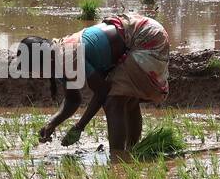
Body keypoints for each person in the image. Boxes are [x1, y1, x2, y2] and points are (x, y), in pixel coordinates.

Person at [23, 13, 170, 159]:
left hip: (147, 38)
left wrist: (79, 127)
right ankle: (132, 151)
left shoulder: (68, 55)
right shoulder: (59, 60)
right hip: (144, 33)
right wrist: (52, 123)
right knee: (127, 99)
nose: (38, 74)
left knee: (113, 101)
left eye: (36, 69)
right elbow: (73, 100)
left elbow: (102, 91)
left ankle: (118, 159)